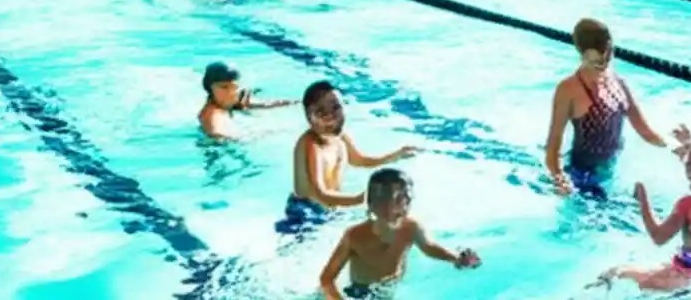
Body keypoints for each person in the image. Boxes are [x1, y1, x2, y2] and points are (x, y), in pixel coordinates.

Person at [598, 136, 691, 291]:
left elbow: (658, 237)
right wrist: (688, 146)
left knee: (618, 272)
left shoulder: (689, 204)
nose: (687, 171)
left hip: (690, 277)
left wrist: (643, 199)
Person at [545, 18, 668, 198]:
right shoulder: (568, 90)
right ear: (582, 54)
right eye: (596, 62)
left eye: (607, 59)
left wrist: (679, 148)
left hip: (612, 173)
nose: (602, 66)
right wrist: (560, 179)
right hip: (582, 179)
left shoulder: (619, 84)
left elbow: (646, 133)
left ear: (611, 48)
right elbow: (552, 148)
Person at [281, 81, 418, 237]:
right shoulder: (312, 145)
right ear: (309, 118)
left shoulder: (340, 138)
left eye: (335, 107)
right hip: (304, 213)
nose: (330, 115)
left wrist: (395, 156)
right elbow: (320, 193)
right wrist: (360, 199)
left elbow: (360, 160)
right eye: (321, 112)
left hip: (327, 209)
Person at [319, 169, 480, 299]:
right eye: (387, 199)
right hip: (358, 294)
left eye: (402, 199)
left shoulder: (411, 227)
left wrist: (455, 257)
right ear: (372, 205)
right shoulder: (354, 236)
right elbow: (326, 279)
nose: (393, 207)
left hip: (387, 291)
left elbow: (429, 247)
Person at [197, 61, 295, 140]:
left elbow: (264, 104)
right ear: (209, 88)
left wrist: (293, 103)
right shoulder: (212, 114)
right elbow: (218, 134)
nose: (230, 92)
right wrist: (271, 133)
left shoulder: (231, 100)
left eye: (234, 87)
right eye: (224, 87)